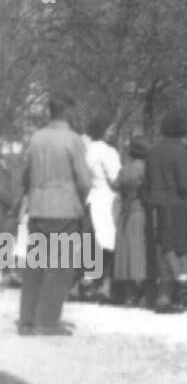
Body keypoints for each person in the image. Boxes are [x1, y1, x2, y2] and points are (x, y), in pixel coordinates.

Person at [18, 94, 93, 336]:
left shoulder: (36, 138)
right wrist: (81, 199)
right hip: (63, 208)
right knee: (60, 265)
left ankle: (27, 319)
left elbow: (25, 174)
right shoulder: (73, 140)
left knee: (36, 264)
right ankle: (48, 320)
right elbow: (83, 180)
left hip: (38, 207)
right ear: (68, 112)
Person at [144, 110, 187, 313]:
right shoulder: (180, 151)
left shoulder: (153, 150)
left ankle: (162, 296)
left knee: (161, 248)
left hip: (156, 204)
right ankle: (177, 290)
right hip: (177, 204)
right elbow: (183, 184)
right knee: (176, 248)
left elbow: (147, 182)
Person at [83, 115, 121, 302]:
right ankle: (103, 286)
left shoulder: (85, 149)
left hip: (88, 199)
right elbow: (116, 179)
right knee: (108, 245)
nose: (113, 133)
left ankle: (87, 280)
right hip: (107, 199)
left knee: (91, 243)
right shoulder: (108, 152)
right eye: (111, 129)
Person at [112, 137, 152, 306]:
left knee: (126, 250)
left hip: (125, 211)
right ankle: (141, 290)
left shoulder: (125, 169)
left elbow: (116, 186)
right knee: (139, 249)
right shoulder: (146, 169)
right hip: (139, 208)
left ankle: (128, 293)